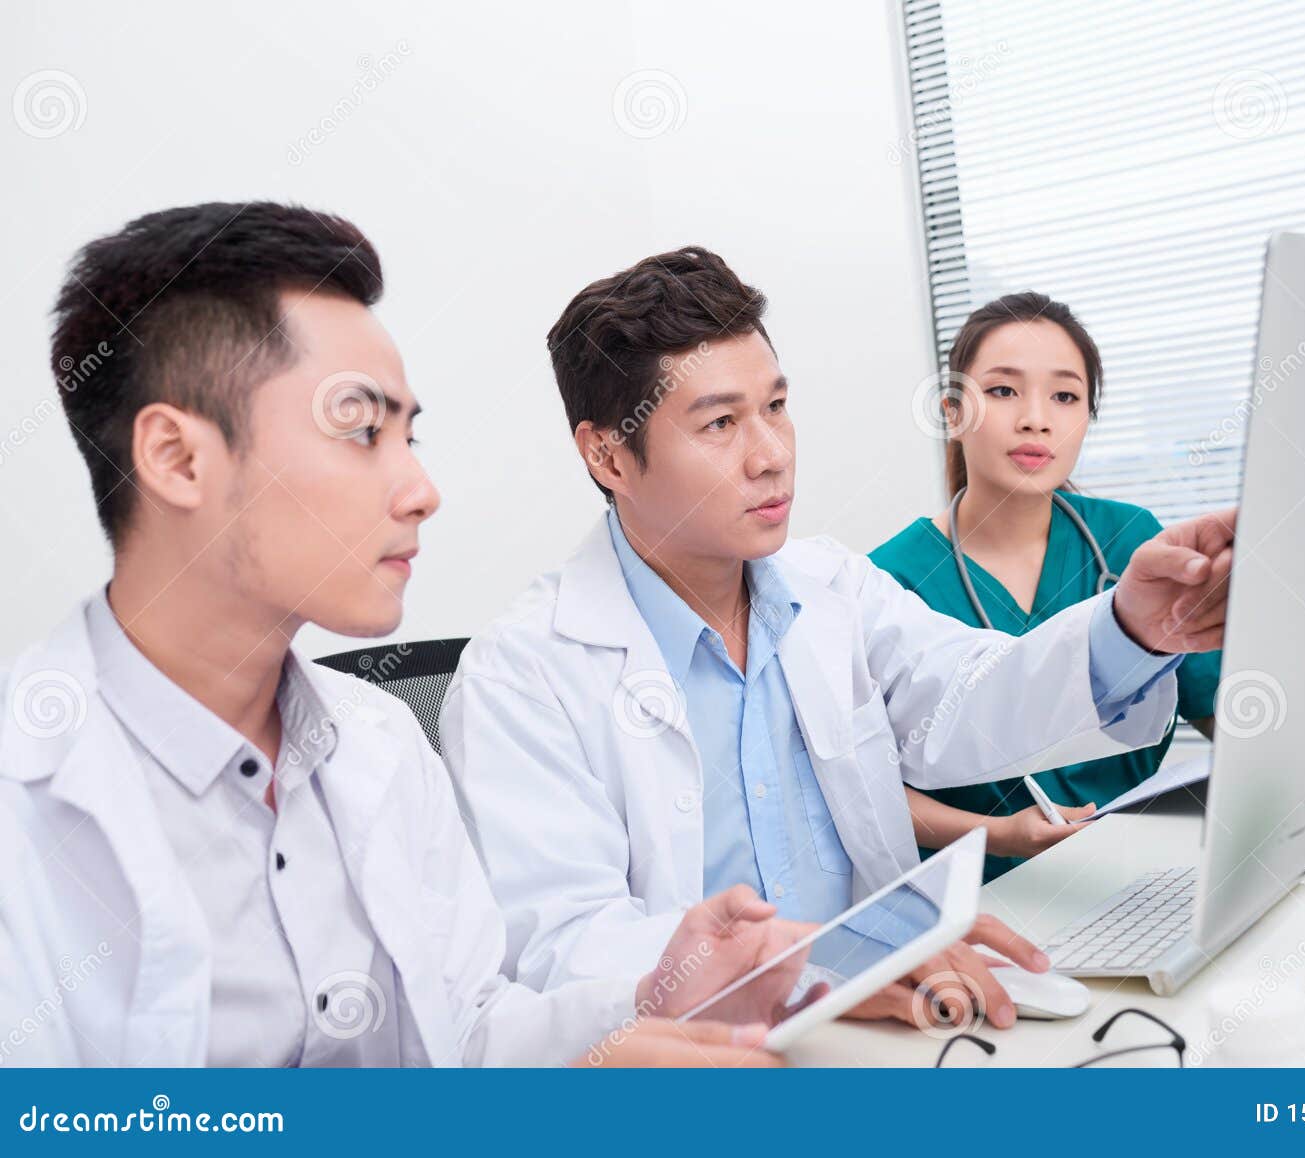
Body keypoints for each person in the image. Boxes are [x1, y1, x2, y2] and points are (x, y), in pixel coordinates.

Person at [0, 203, 802, 1068]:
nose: (421, 489)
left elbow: (467, 1038)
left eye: (408, 435)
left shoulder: (379, 745)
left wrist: (637, 1010)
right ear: (177, 459)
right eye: (360, 432)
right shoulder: (27, 806)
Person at [441, 247, 1236, 1030]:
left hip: (886, 1024)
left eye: (776, 407)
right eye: (721, 422)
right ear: (608, 454)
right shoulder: (522, 676)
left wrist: (1135, 626)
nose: (772, 455)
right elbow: (565, 950)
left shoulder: (830, 587)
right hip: (709, 1066)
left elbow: (970, 696)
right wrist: (821, 972)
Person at [871, 293, 1221, 882]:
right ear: (953, 413)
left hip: (1141, 876)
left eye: (1065, 396)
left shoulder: (1133, 542)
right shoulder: (889, 580)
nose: (1037, 418)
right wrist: (1004, 835)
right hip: (982, 895)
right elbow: (865, 792)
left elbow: (1228, 713)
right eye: (1004, 390)